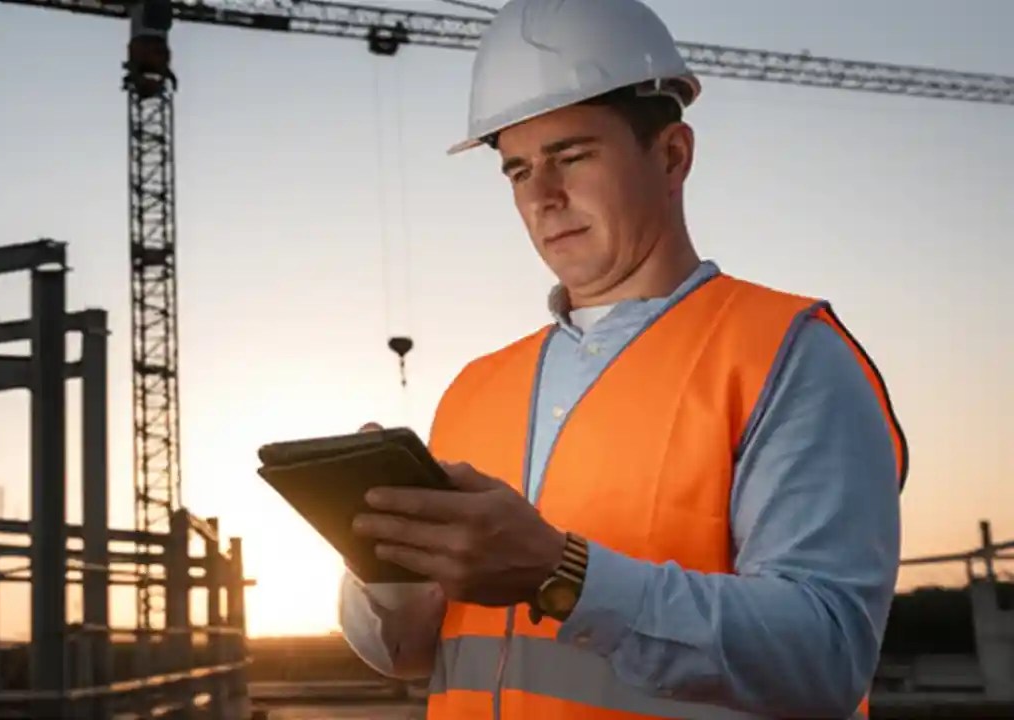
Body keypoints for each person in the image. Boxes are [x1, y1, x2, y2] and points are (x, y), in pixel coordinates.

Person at [337, 0, 908, 718]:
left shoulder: (785, 353)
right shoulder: (475, 389)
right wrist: (378, 561)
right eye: (518, 171)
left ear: (671, 155)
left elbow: (827, 654)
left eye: (571, 157)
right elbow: (407, 654)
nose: (543, 197)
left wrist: (564, 576)